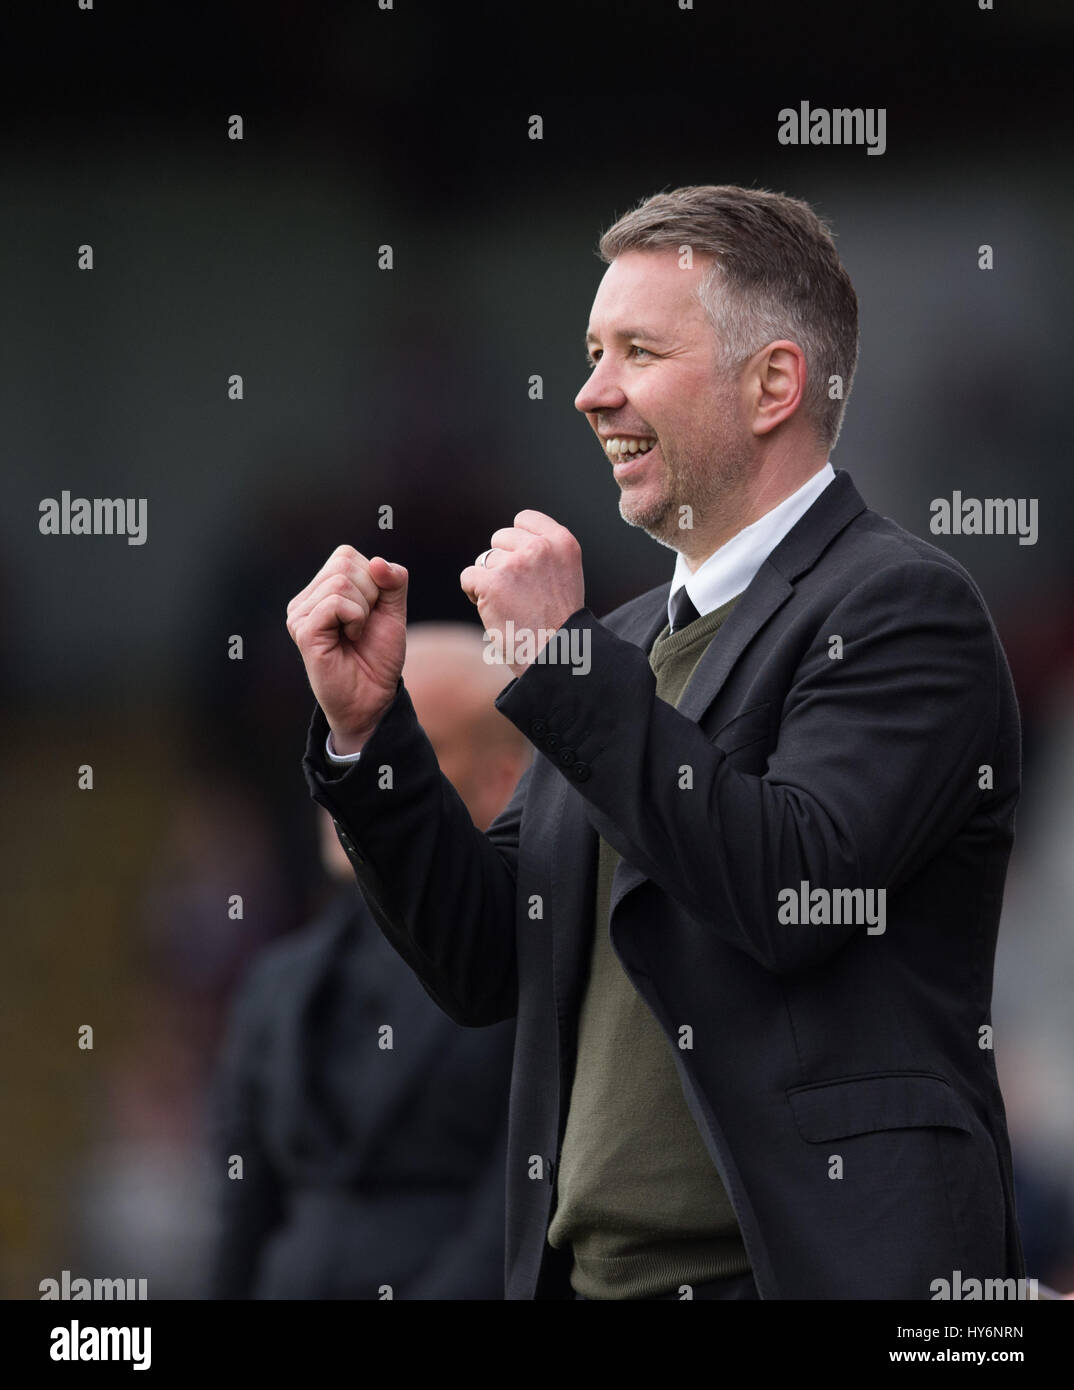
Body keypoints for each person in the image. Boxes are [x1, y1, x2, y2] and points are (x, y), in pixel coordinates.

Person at [287, 185, 1026, 1300]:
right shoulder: (626, 643)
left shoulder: (903, 607)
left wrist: (565, 664)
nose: (591, 392)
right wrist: (367, 735)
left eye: (637, 350)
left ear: (774, 382)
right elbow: (496, 959)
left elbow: (793, 889)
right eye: (592, 351)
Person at [209, 624, 529, 1299]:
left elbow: (520, 1209)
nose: (350, 775)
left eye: (391, 748)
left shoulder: (542, 962)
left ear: (506, 778)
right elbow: (240, 1214)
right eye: (340, 735)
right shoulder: (277, 981)